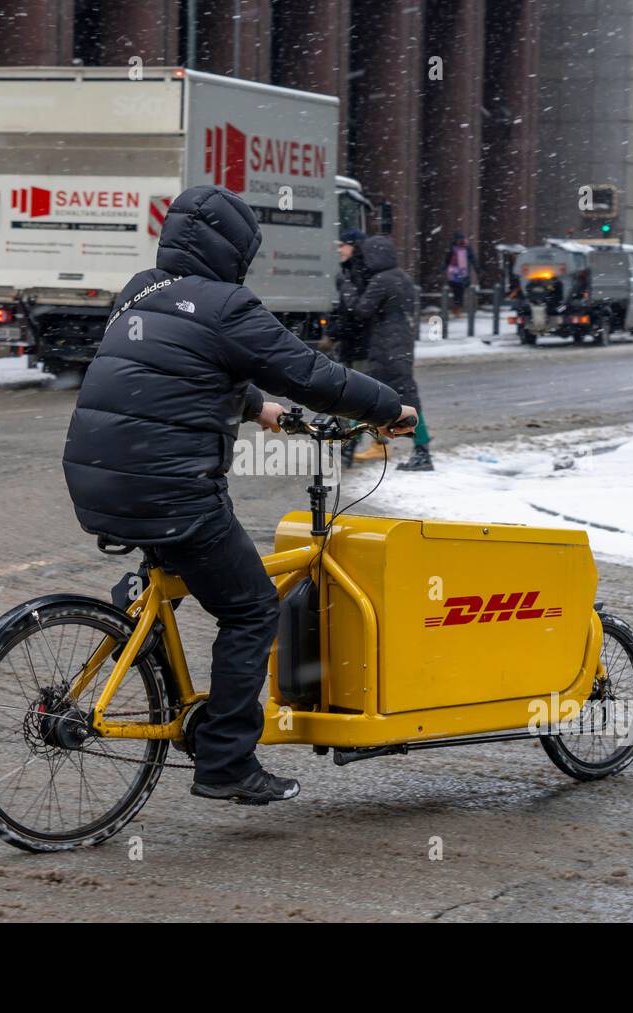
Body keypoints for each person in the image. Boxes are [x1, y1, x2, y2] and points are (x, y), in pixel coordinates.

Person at [62, 185, 416, 804]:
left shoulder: (140, 289)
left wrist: (258, 409)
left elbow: (175, 362)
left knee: (187, 578)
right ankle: (226, 761)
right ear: (234, 249)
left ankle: (170, 686)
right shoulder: (228, 304)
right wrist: (388, 407)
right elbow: (312, 373)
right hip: (171, 491)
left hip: (96, 476)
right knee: (252, 608)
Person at [352, 235, 434, 471]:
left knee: (367, 396)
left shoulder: (380, 280)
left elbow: (362, 310)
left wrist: (351, 289)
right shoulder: (403, 278)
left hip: (385, 347)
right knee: (407, 397)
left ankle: (419, 451)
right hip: (402, 344)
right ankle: (419, 449)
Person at [328, 228, 376, 467]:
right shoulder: (346, 274)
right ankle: (346, 442)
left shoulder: (363, 274)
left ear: (355, 247)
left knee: (356, 397)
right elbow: (342, 311)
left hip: (362, 346)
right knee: (349, 394)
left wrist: (338, 331)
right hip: (350, 344)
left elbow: (358, 314)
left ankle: (349, 445)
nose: (340, 249)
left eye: (344, 245)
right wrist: (333, 333)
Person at [443, 230, 478, 318]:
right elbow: (447, 259)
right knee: (456, 292)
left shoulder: (466, 248)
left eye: (460, 239)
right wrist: (443, 268)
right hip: (453, 274)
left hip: (463, 274)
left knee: (460, 292)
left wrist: (477, 269)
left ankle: (458, 309)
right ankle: (456, 309)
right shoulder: (452, 247)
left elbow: (473, 259)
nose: (459, 241)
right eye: (458, 239)